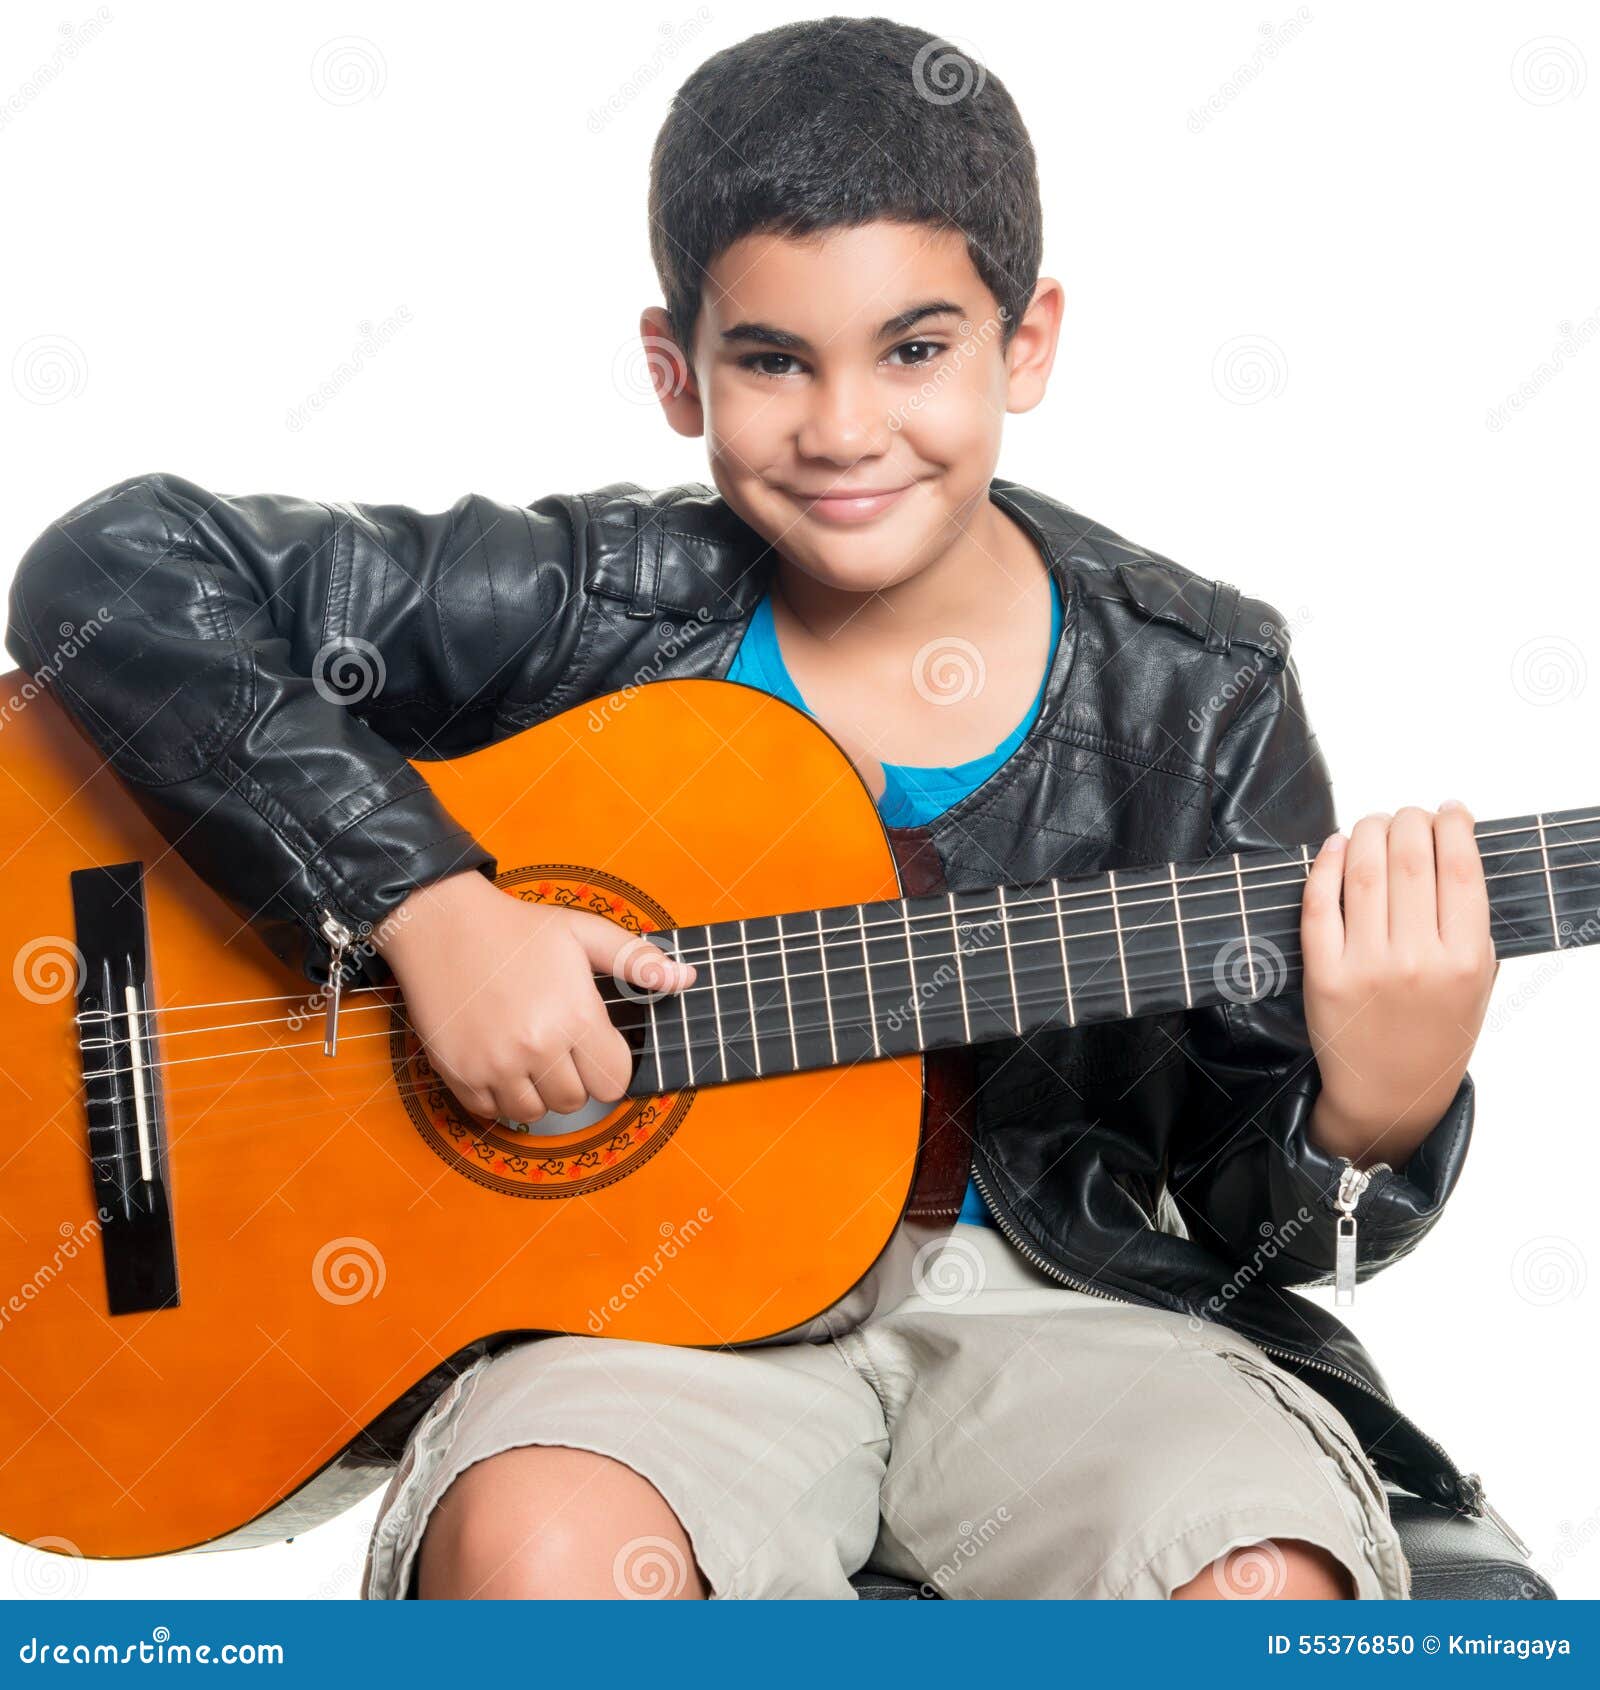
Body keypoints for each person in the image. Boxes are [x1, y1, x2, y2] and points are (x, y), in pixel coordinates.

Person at [5, 16, 1498, 1601]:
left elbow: (1247, 1208)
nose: (845, 427)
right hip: (642, 1327)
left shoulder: (1200, 690)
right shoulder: (596, 600)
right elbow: (116, 573)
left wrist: (1371, 1115)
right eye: (773, 360)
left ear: (1029, 340)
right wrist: (425, 909)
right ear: (675, 370)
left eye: (916, 349)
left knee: (1255, 1578)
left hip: (1072, 1321)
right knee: (541, 1553)